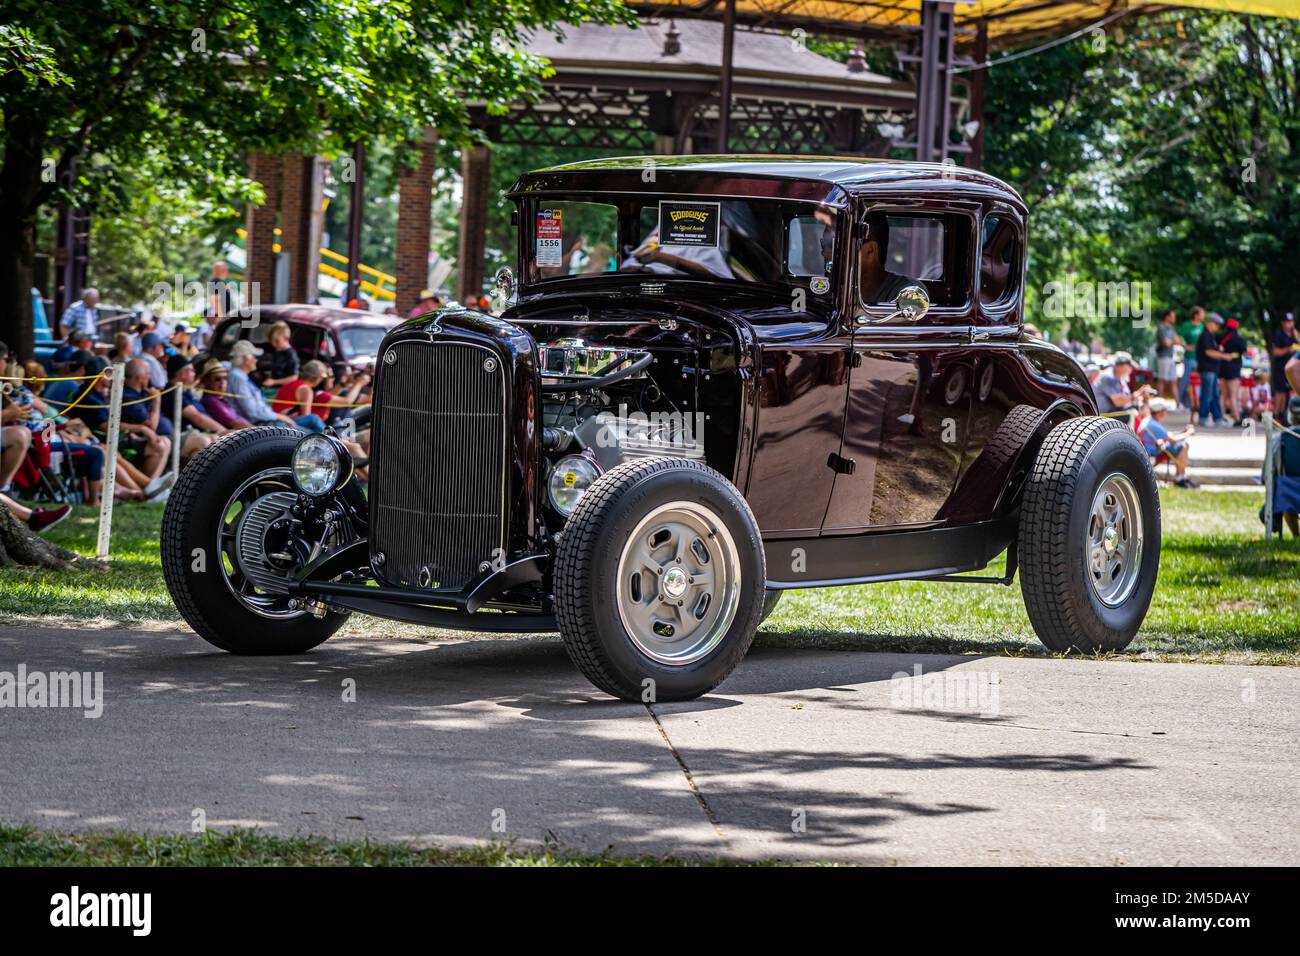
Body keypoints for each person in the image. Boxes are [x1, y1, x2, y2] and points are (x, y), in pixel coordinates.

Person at [226, 340, 311, 429]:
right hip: (261, 424)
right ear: (245, 359)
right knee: (311, 433)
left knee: (312, 420)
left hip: (266, 420)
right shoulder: (238, 378)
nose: (256, 360)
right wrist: (279, 416)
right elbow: (253, 412)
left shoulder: (240, 376)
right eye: (254, 357)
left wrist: (278, 415)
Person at [1139, 398, 1198, 488]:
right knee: (1183, 445)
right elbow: (1172, 439)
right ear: (1160, 412)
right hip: (1154, 451)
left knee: (1181, 445)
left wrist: (1182, 432)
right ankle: (1180, 477)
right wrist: (1188, 433)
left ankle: (1181, 476)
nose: (1166, 413)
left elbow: (1168, 435)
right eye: (1165, 410)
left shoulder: (1149, 421)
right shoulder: (1153, 424)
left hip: (1153, 448)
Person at [167, 354, 228, 437]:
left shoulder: (184, 391)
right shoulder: (172, 393)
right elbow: (197, 418)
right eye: (192, 370)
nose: (194, 373)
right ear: (182, 374)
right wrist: (225, 432)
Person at [270, 360, 330, 432]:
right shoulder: (306, 389)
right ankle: (335, 440)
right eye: (321, 378)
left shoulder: (292, 383)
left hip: (277, 421)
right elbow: (307, 417)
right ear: (317, 378)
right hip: (282, 422)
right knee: (314, 420)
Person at [1195, 313, 1232, 426]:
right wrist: (1224, 356)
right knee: (1207, 394)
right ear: (1210, 323)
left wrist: (1219, 349)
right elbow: (1208, 352)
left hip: (1212, 370)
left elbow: (1212, 349)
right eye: (1216, 324)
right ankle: (1204, 417)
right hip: (1207, 369)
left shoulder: (1210, 336)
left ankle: (1217, 418)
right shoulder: (1205, 335)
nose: (1217, 327)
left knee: (1214, 395)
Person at [1093, 352, 1152, 421]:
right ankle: (1145, 429)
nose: (1132, 369)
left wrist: (1141, 397)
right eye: (1130, 366)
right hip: (1103, 417)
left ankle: (1146, 428)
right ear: (1122, 366)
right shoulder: (1107, 377)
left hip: (1112, 413)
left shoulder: (1120, 378)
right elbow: (1118, 402)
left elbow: (1127, 399)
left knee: (1139, 405)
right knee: (1136, 408)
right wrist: (1139, 393)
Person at [1217, 318, 1248, 426]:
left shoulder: (1221, 337)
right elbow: (1245, 352)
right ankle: (1237, 418)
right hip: (1234, 367)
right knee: (1233, 395)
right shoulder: (1238, 338)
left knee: (1223, 395)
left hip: (1222, 367)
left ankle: (1219, 417)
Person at [1270, 313, 1299, 424]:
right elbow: (1275, 352)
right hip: (1280, 368)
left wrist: (1297, 338)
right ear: (1283, 323)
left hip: (1293, 370)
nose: (1289, 324)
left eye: (1291, 322)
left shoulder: (1294, 335)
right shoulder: (1279, 335)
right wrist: (1288, 349)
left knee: (1288, 393)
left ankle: (1284, 417)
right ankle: (1277, 416)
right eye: (1287, 322)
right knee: (1280, 393)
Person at [1177, 306, 1205, 410]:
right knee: (1186, 379)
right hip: (1189, 357)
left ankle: (1192, 402)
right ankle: (1180, 401)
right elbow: (1179, 336)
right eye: (1202, 314)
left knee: (1197, 381)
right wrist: (1185, 345)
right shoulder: (1187, 325)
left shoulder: (1202, 326)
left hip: (1200, 358)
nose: (1203, 316)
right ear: (1196, 315)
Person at [261, 322, 299, 388]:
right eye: (271, 341)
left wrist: (274, 382)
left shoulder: (291, 355)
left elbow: (294, 377)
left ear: (286, 338)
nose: (273, 344)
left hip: (282, 390)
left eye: (277, 341)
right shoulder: (277, 351)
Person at [1154, 308, 1181, 400]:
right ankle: (1159, 402)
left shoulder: (1171, 328)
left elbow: (1178, 341)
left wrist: (1172, 341)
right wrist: (1173, 341)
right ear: (1167, 317)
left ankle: (1178, 404)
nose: (1174, 318)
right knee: (1162, 379)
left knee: (1174, 380)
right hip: (1163, 357)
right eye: (1173, 316)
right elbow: (1166, 343)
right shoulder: (1161, 328)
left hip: (1170, 356)